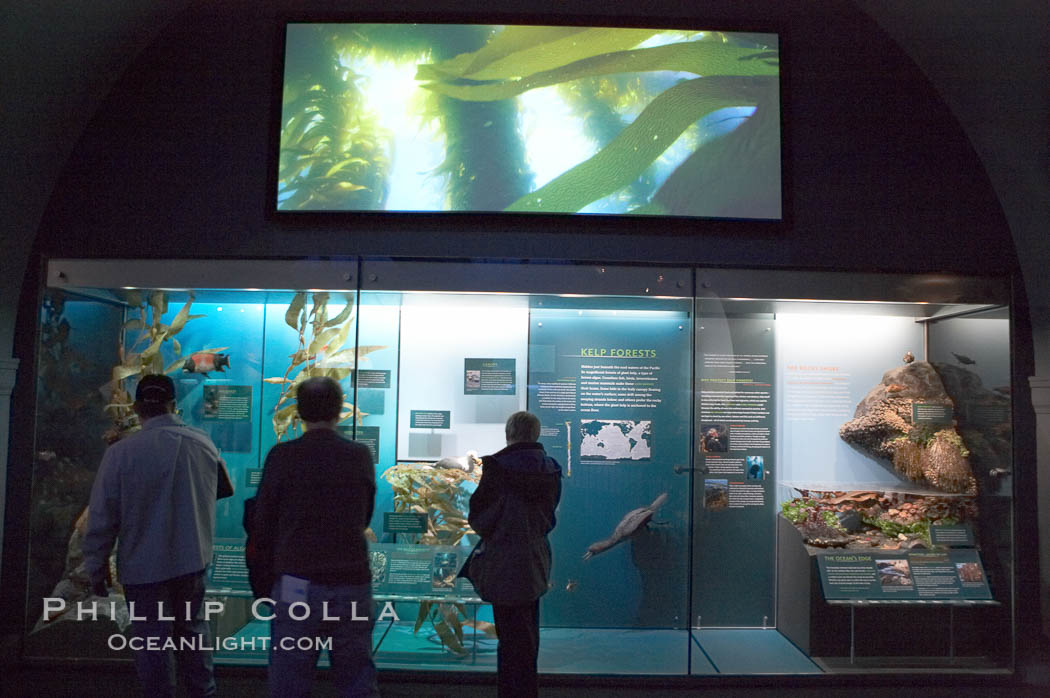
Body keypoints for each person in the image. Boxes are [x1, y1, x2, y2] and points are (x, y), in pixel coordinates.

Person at [82, 373, 222, 698]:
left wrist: (96, 566)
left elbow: (102, 516)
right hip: (192, 563)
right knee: (193, 637)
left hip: (142, 568)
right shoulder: (203, 444)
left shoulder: (121, 454)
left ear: (136, 408)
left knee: (151, 645)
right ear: (174, 405)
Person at [253, 376, 378, 697]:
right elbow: (364, 515)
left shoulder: (282, 456)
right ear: (339, 411)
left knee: (290, 680)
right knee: (356, 681)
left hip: (297, 583)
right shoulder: (359, 455)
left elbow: (262, 525)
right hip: (351, 582)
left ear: (300, 412)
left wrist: (263, 585)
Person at [462, 411, 562, 698]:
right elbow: (549, 516)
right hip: (535, 559)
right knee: (529, 635)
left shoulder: (497, 468)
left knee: (508, 638)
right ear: (536, 434)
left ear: (509, 433)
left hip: (503, 560)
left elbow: (479, 518)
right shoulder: (550, 469)